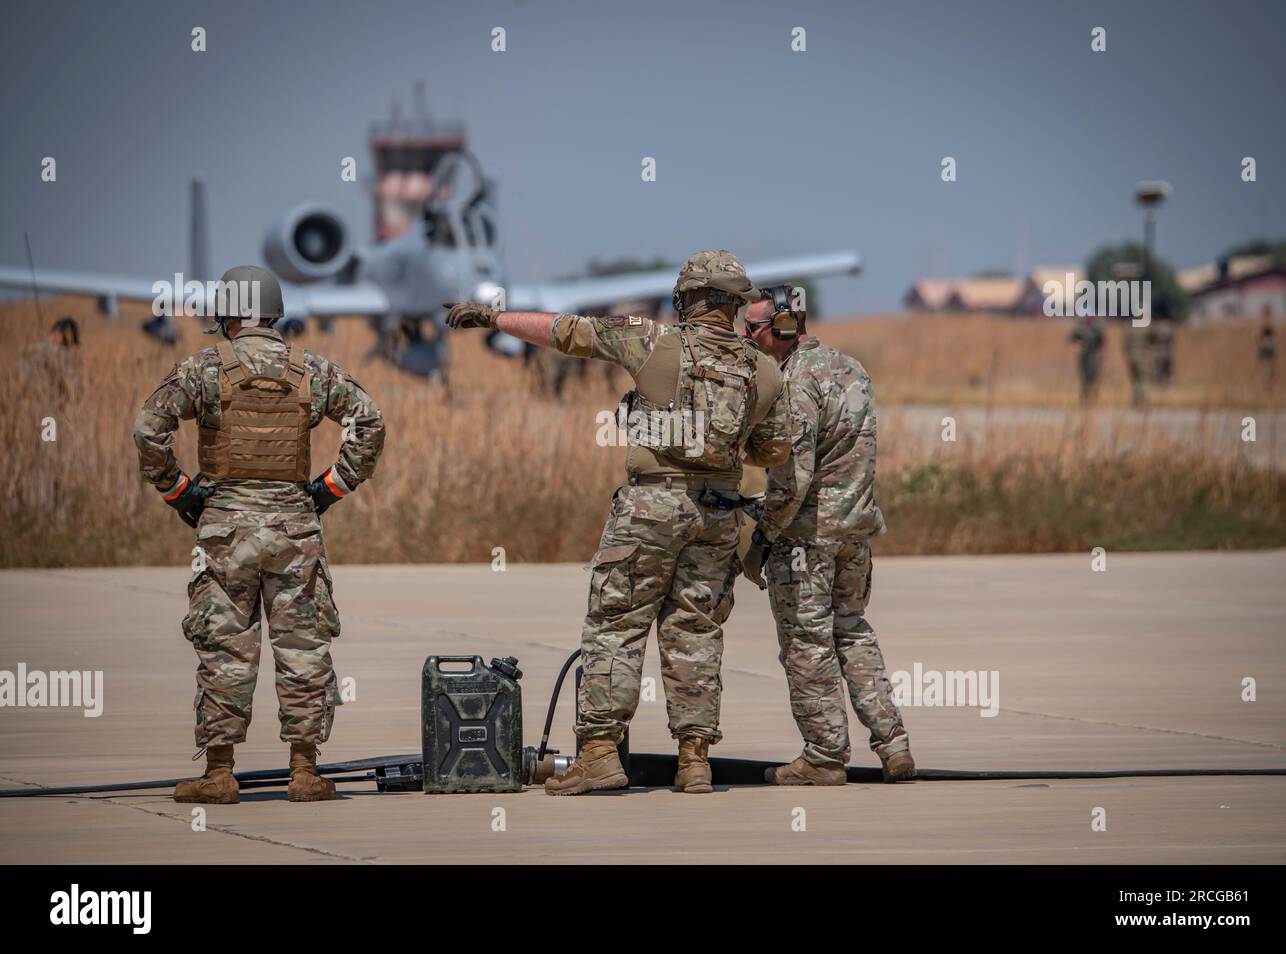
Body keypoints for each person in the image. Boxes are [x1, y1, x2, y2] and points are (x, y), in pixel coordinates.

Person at [444, 250, 791, 794]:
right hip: (718, 516)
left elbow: (565, 332)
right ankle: (694, 761)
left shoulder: (652, 341)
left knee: (616, 627)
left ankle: (601, 754)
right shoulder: (764, 369)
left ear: (691, 298)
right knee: (695, 631)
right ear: (735, 304)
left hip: (650, 509)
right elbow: (769, 452)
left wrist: (492, 318)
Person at [133, 266, 385, 804]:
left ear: (227, 315)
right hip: (295, 527)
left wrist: (179, 491)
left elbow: (148, 428)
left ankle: (220, 774)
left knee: (226, 649)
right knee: (303, 648)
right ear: (274, 312)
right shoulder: (309, 369)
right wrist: (328, 490)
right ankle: (304, 772)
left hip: (225, 530)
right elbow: (369, 421)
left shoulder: (202, 369)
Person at [740, 288, 915, 784]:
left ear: (784, 329)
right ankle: (893, 745)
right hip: (853, 530)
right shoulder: (849, 368)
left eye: (753, 329)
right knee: (852, 631)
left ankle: (823, 757)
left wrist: (761, 540)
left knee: (806, 644)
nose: (745, 338)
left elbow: (792, 476)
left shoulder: (794, 382)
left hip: (807, 539)